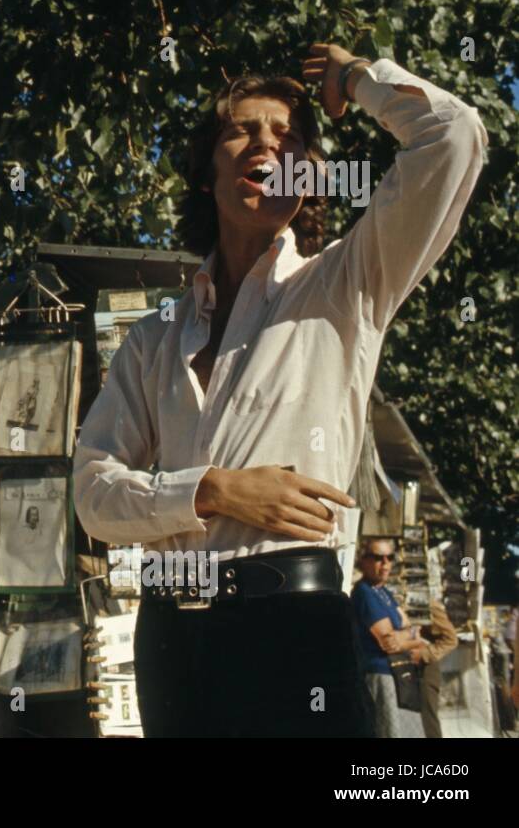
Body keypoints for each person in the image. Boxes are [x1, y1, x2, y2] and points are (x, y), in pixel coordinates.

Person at [72, 43, 488, 737]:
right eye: (242, 129)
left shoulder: (345, 284)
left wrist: (357, 79)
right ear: (207, 173)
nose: (267, 142)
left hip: (295, 632)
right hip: (171, 640)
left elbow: (455, 137)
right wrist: (209, 492)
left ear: (310, 177)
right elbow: (92, 493)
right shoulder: (153, 341)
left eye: (288, 135)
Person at [351, 538, 428, 738]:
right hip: (381, 674)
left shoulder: (384, 592)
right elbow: (389, 643)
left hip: (399, 672)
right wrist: (411, 637)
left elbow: (409, 627)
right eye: (378, 558)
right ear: (364, 560)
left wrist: (407, 635)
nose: (385, 563)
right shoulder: (365, 593)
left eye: (389, 557)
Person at [417, 598, 458, 738]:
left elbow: (451, 639)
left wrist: (425, 654)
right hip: (402, 668)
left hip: (425, 669)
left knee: (428, 719)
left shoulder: (427, 601)